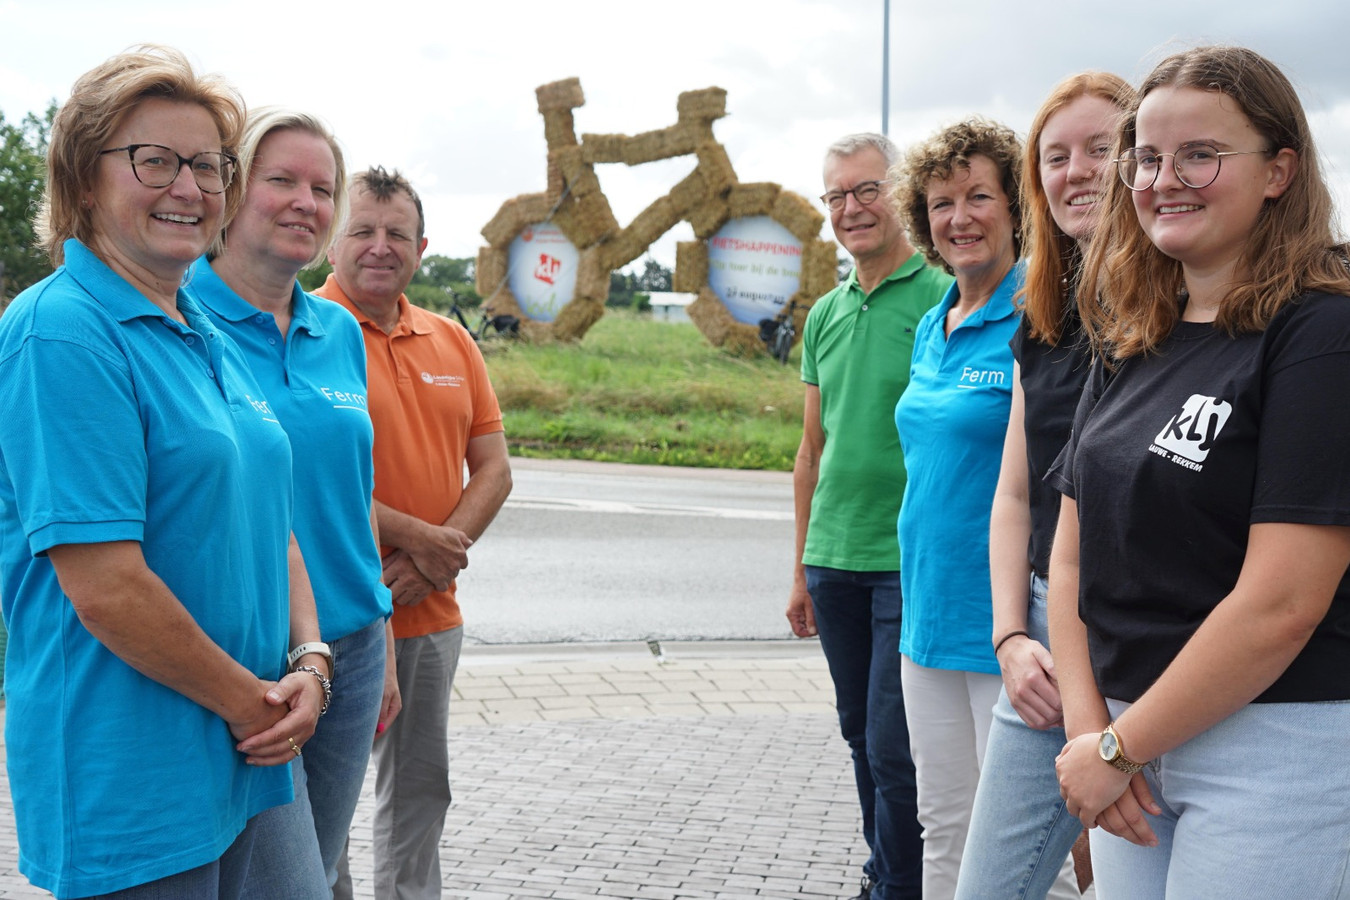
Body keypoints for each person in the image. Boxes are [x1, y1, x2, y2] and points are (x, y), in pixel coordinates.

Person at [0, 46, 329, 898]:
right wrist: (256, 705)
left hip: (252, 749)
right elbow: (105, 585)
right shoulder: (64, 333)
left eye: (210, 166)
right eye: (154, 160)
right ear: (82, 183)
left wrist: (311, 659)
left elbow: (269, 515)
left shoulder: (198, 325)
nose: (189, 187)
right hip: (135, 773)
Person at [1048, 45, 1350, 898]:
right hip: (1131, 746)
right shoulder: (1133, 334)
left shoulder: (1321, 335)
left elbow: (1283, 605)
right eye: (1146, 157)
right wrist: (1091, 734)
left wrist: (1116, 748)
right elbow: (1072, 556)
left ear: (1279, 171)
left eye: (1199, 155)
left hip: (1272, 746)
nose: (1163, 179)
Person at [185, 107, 397, 893]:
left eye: (321, 187)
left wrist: (386, 642)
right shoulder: (183, 318)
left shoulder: (338, 330)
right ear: (232, 189)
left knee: (323, 859)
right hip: (249, 658)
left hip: (356, 648)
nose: (305, 201)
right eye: (281, 180)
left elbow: (355, 493)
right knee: (282, 879)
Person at [955, 73, 1133, 900]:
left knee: (1121, 877)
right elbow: (1016, 493)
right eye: (1055, 157)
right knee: (989, 887)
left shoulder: (1192, 309)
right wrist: (1008, 639)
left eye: (1101, 148)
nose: (1077, 171)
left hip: (1153, 649)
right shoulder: (1043, 313)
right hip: (1041, 648)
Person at [318, 166, 513, 900]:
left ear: (422, 247)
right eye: (362, 230)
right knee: (320, 800)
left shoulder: (453, 342)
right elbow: (303, 482)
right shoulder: (299, 331)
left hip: (430, 615)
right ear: (333, 242)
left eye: (396, 233)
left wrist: (434, 559)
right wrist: (416, 540)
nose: (379, 246)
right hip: (330, 611)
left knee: (421, 795)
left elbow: (493, 469)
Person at [786, 132, 951, 900]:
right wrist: (799, 571)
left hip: (904, 561)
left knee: (895, 746)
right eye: (837, 195)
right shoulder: (824, 312)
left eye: (867, 189)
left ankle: (898, 886)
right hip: (833, 557)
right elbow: (810, 451)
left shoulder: (942, 296)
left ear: (902, 193)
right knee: (860, 736)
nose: (852, 208)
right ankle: (883, 869)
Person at [890, 117, 1024, 900]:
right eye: (942, 202)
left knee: (1018, 846)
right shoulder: (932, 324)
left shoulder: (1038, 321)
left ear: (1015, 209)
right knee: (943, 825)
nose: (960, 217)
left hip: (1005, 628)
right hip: (926, 619)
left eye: (980, 196)